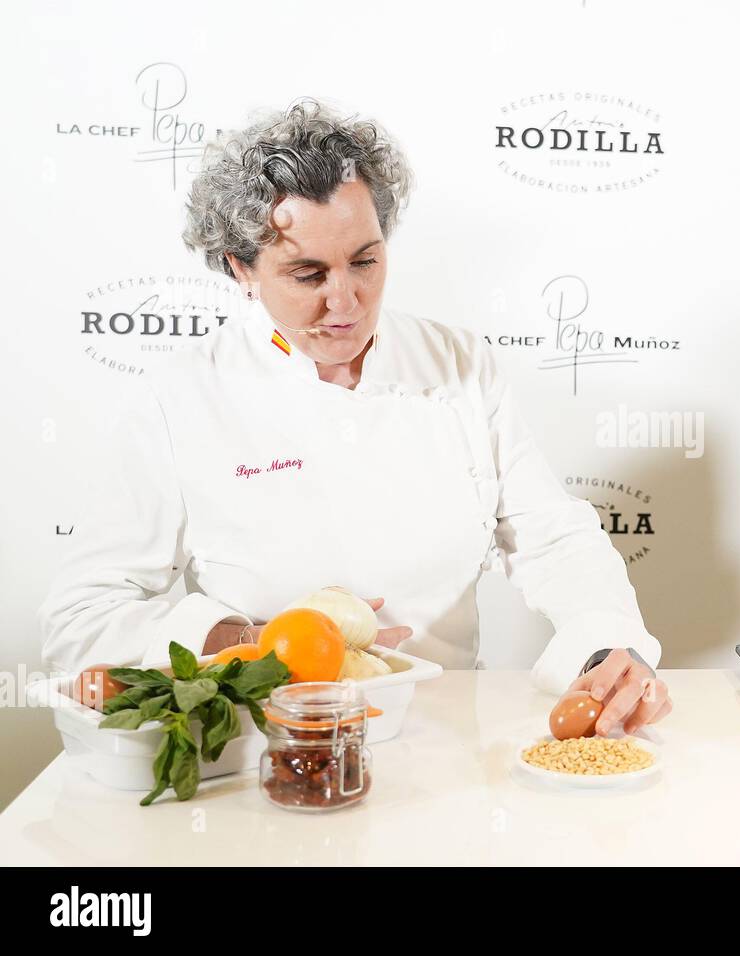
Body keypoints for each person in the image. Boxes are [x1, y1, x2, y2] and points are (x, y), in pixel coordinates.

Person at [37, 98, 670, 736]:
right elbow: (83, 615)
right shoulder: (182, 395)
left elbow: (553, 539)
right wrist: (254, 644)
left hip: (447, 746)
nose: (345, 301)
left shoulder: (458, 363)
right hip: (269, 751)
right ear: (241, 269)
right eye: (306, 273)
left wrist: (604, 645)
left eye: (364, 261)